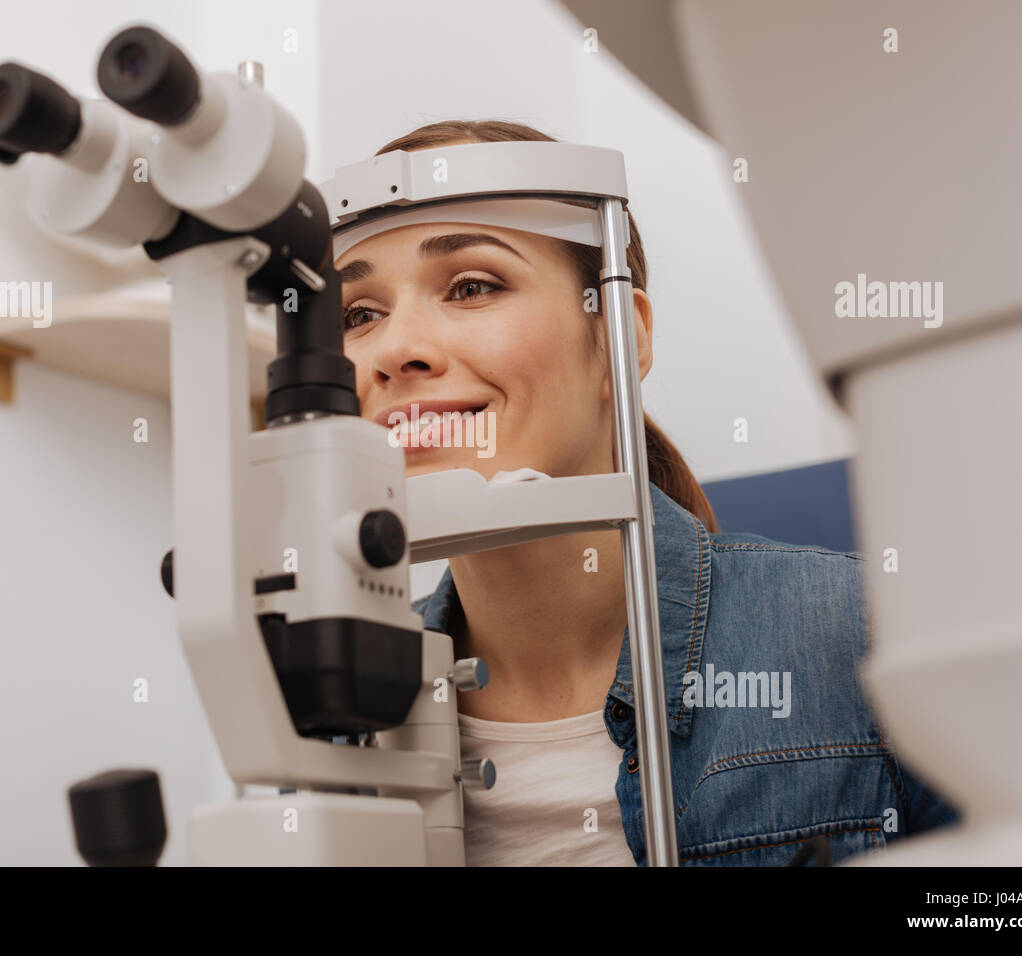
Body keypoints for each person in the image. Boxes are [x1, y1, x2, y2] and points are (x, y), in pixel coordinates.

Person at [335, 119, 961, 866]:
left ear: (619, 340)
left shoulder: (865, 641)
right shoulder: (340, 697)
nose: (395, 350)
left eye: (473, 286)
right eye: (359, 315)